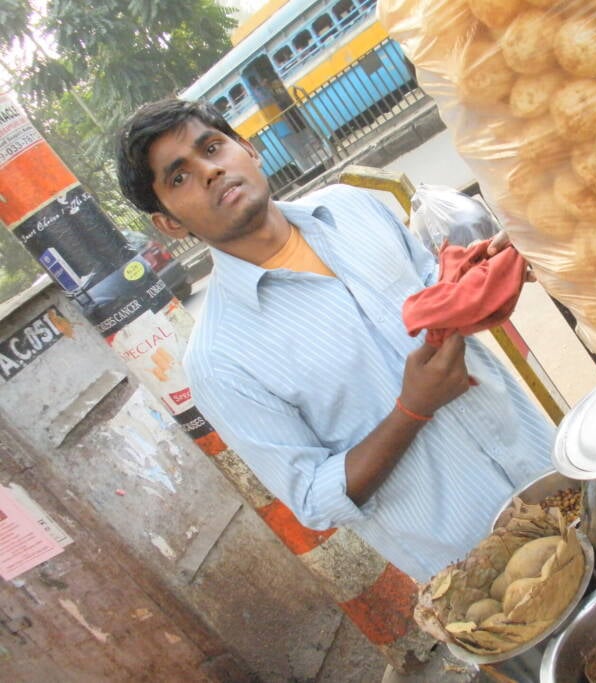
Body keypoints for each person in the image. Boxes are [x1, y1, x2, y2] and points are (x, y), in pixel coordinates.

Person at [115, 99, 554, 581]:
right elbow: (311, 497)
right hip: (483, 565)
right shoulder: (219, 359)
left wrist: (484, 274)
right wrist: (412, 409)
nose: (211, 171)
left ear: (248, 149)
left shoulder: (352, 208)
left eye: (213, 147)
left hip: (546, 466)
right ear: (170, 223)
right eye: (179, 177)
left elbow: (439, 293)